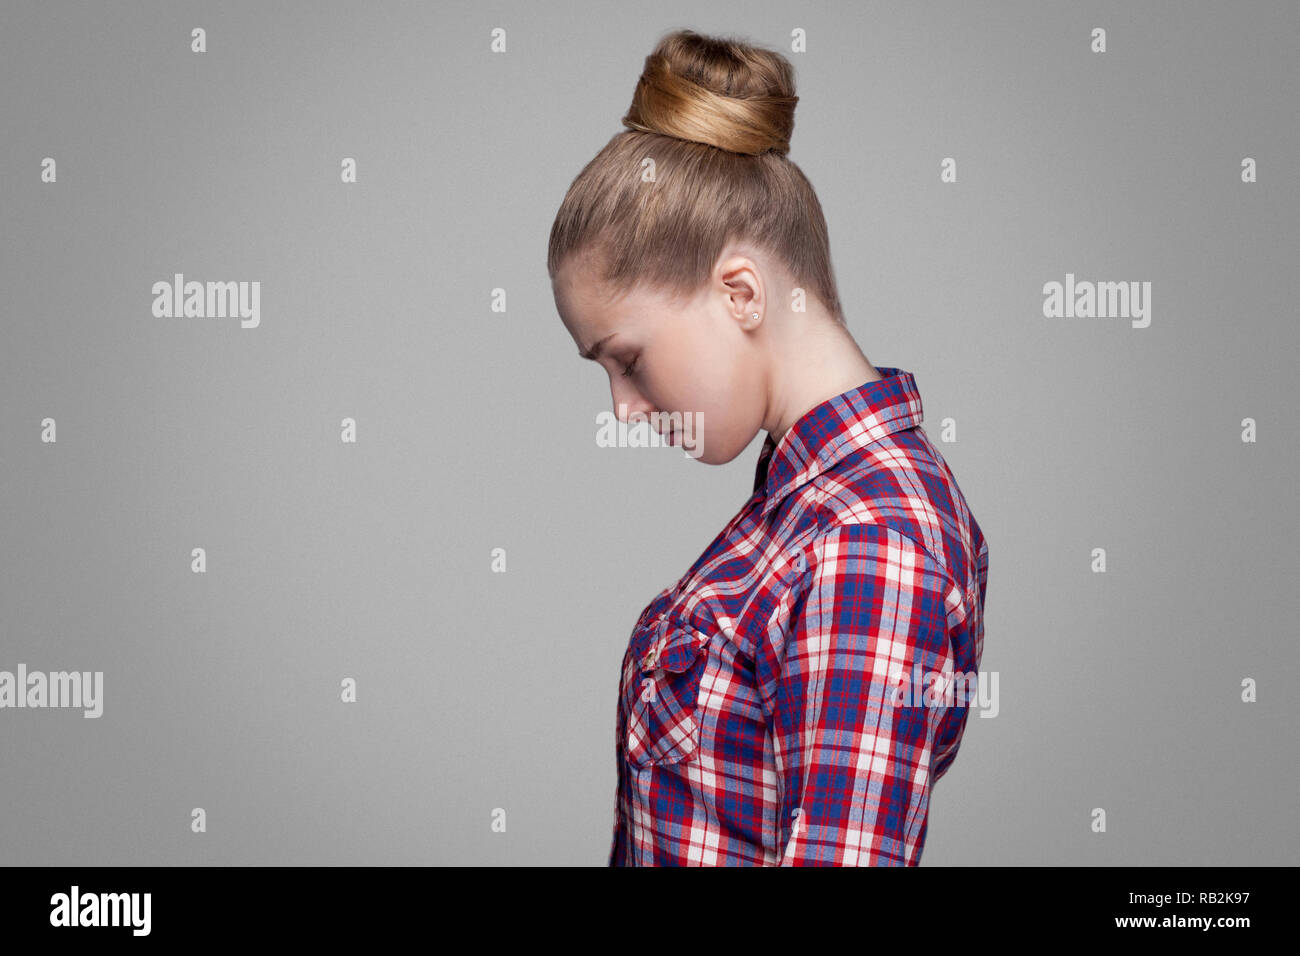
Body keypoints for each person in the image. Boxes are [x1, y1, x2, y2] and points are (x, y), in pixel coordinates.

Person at [548, 28, 989, 865]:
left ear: (741, 292)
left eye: (628, 360)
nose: (624, 410)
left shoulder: (870, 541)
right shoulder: (799, 516)